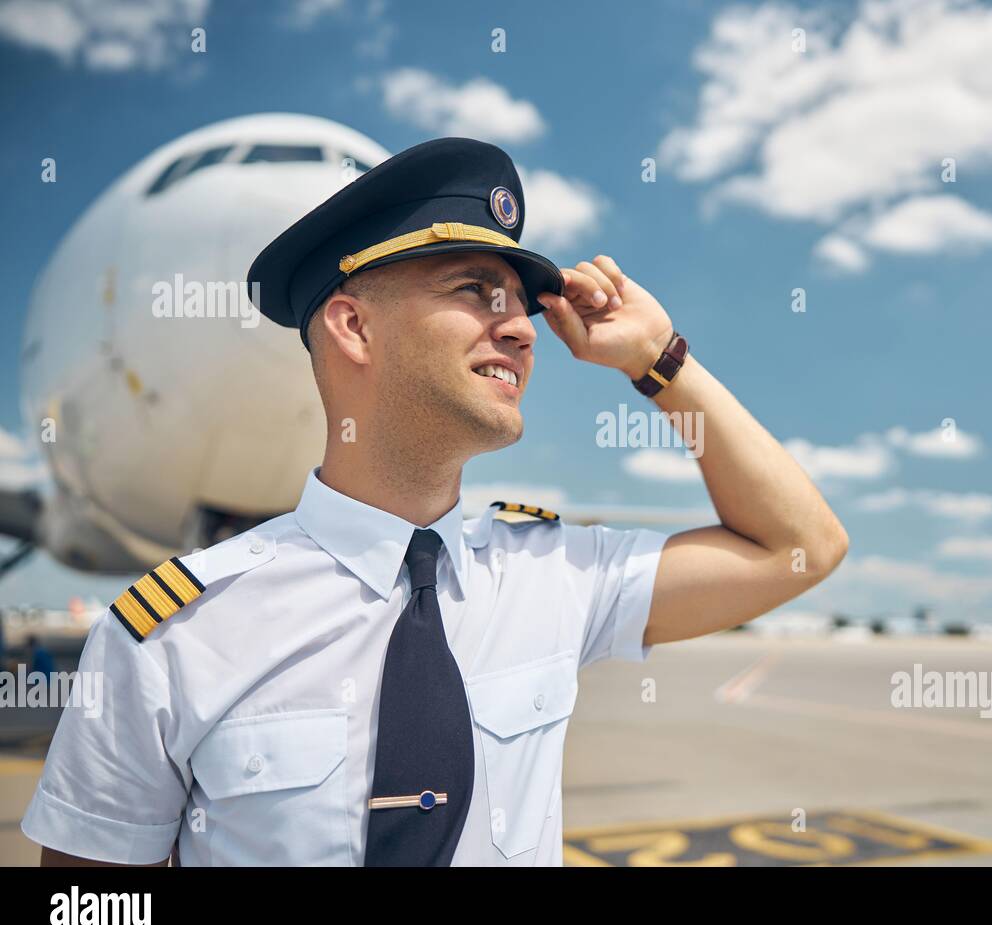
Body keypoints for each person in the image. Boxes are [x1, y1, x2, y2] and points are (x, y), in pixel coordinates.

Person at [21, 137, 848, 866]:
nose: (522, 329)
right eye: (475, 292)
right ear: (353, 326)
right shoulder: (169, 637)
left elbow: (798, 545)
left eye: (521, 305)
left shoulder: (553, 574)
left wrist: (661, 362)